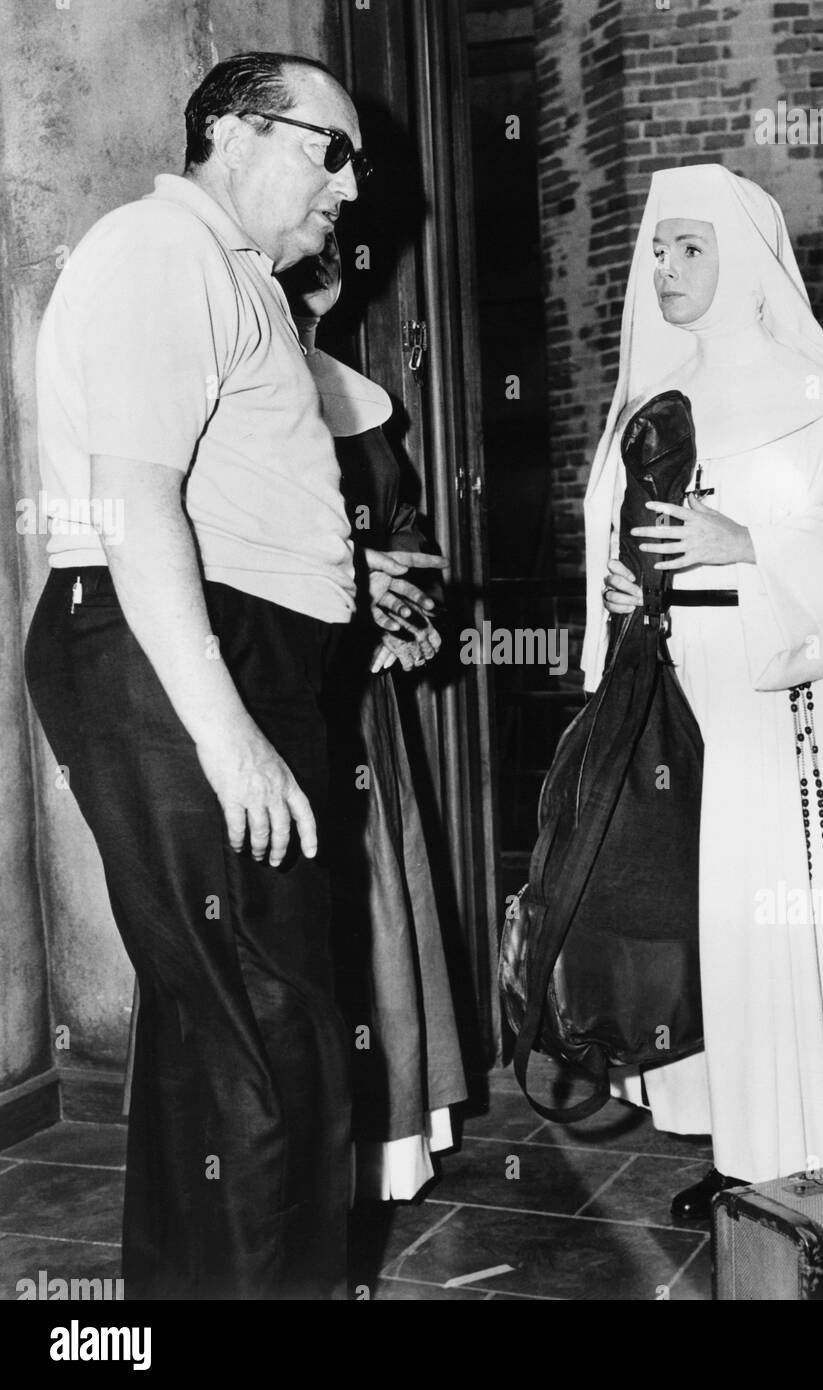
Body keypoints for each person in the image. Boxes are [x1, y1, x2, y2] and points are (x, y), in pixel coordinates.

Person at [24, 51, 423, 1299]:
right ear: (239, 135)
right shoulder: (162, 249)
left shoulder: (234, 277)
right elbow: (136, 500)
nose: (351, 187)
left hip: (223, 650)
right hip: (173, 661)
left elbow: (240, 503)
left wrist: (348, 610)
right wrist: (227, 730)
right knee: (274, 1038)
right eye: (332, 150)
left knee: (222, 1039)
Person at [585, 164, 823, 1219]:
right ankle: (743, 1147)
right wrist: (619, 584)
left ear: (743, 260)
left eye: (691, 248)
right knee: (712, 926)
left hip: (786, 704)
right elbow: (623, 544)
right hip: (681, 705)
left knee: (785, 923)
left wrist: (750, 545)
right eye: (657, 248)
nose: (667, 268)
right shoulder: (647, 405)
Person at [280, 240, 468, 1200]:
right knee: (317, 903)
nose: (312, 316)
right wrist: (351, 586)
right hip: (285, 682)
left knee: (381, 893)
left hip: (367, 690)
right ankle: (327, 1146)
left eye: (322, 299)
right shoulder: (238, 402)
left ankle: (396, 1129)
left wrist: (406, 605)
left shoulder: (358, 405)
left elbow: (403, 529)